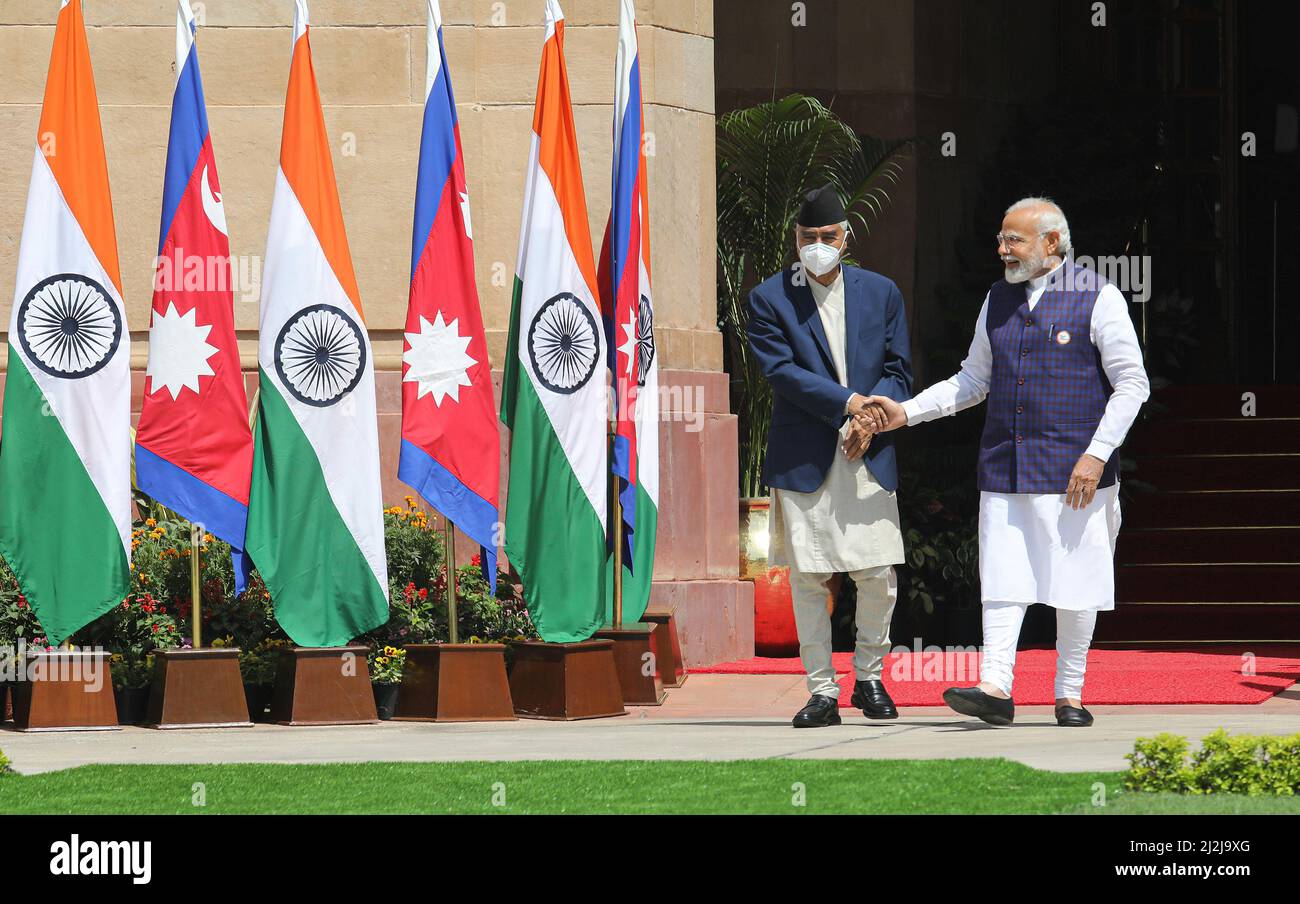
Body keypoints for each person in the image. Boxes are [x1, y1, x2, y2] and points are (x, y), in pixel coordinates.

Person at [860, 197, 1149, 727]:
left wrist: (1096, 453)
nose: (1002, 249)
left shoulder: (1099, 295)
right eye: (1001, 238)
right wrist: (904, 412)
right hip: (1005, 466)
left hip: (1076, 472)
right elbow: (972, 380)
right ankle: (995, 687)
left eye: (1013, 239)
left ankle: (1070, 694)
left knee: (1077, 581)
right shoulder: (997, 298)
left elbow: (1133, 384)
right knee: (1003, 578)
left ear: (1051, 243)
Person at [747, 184, 913, 728]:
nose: (817, 245)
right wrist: (848, 405)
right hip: (807, 453)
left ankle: (869, 678)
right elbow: (781, 373)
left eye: (827, 236)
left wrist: (870, 417)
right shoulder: (771, 298)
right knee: (808, 578)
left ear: (846, 237)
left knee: (877, 571)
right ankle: (822, 692)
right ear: (794, 240)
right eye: (807, 237)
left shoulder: (881, 292)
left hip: (868, 450)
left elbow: (899, 368)